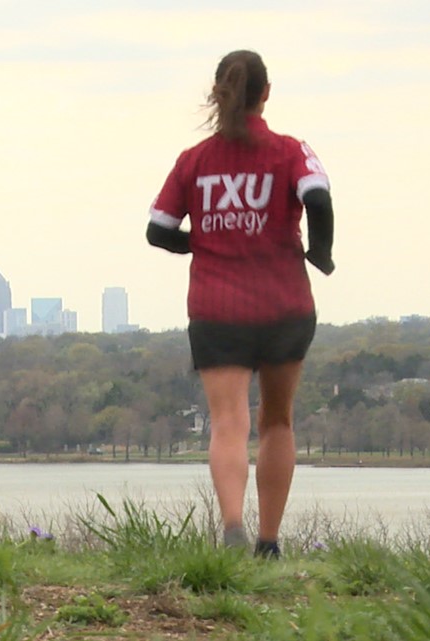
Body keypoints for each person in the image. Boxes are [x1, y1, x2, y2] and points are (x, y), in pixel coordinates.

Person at [145, 50, 335, 559]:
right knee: (278, 420)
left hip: (216, 306)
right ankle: (268, 543)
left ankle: (232, 528)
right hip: (283, 304)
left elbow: (157, 230)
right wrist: (321, 252)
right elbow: (317, 198)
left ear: (219, 93)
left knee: (229, 422)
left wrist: (204, 240)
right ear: (266, 94)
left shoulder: (194, 162)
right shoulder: (290, 151)